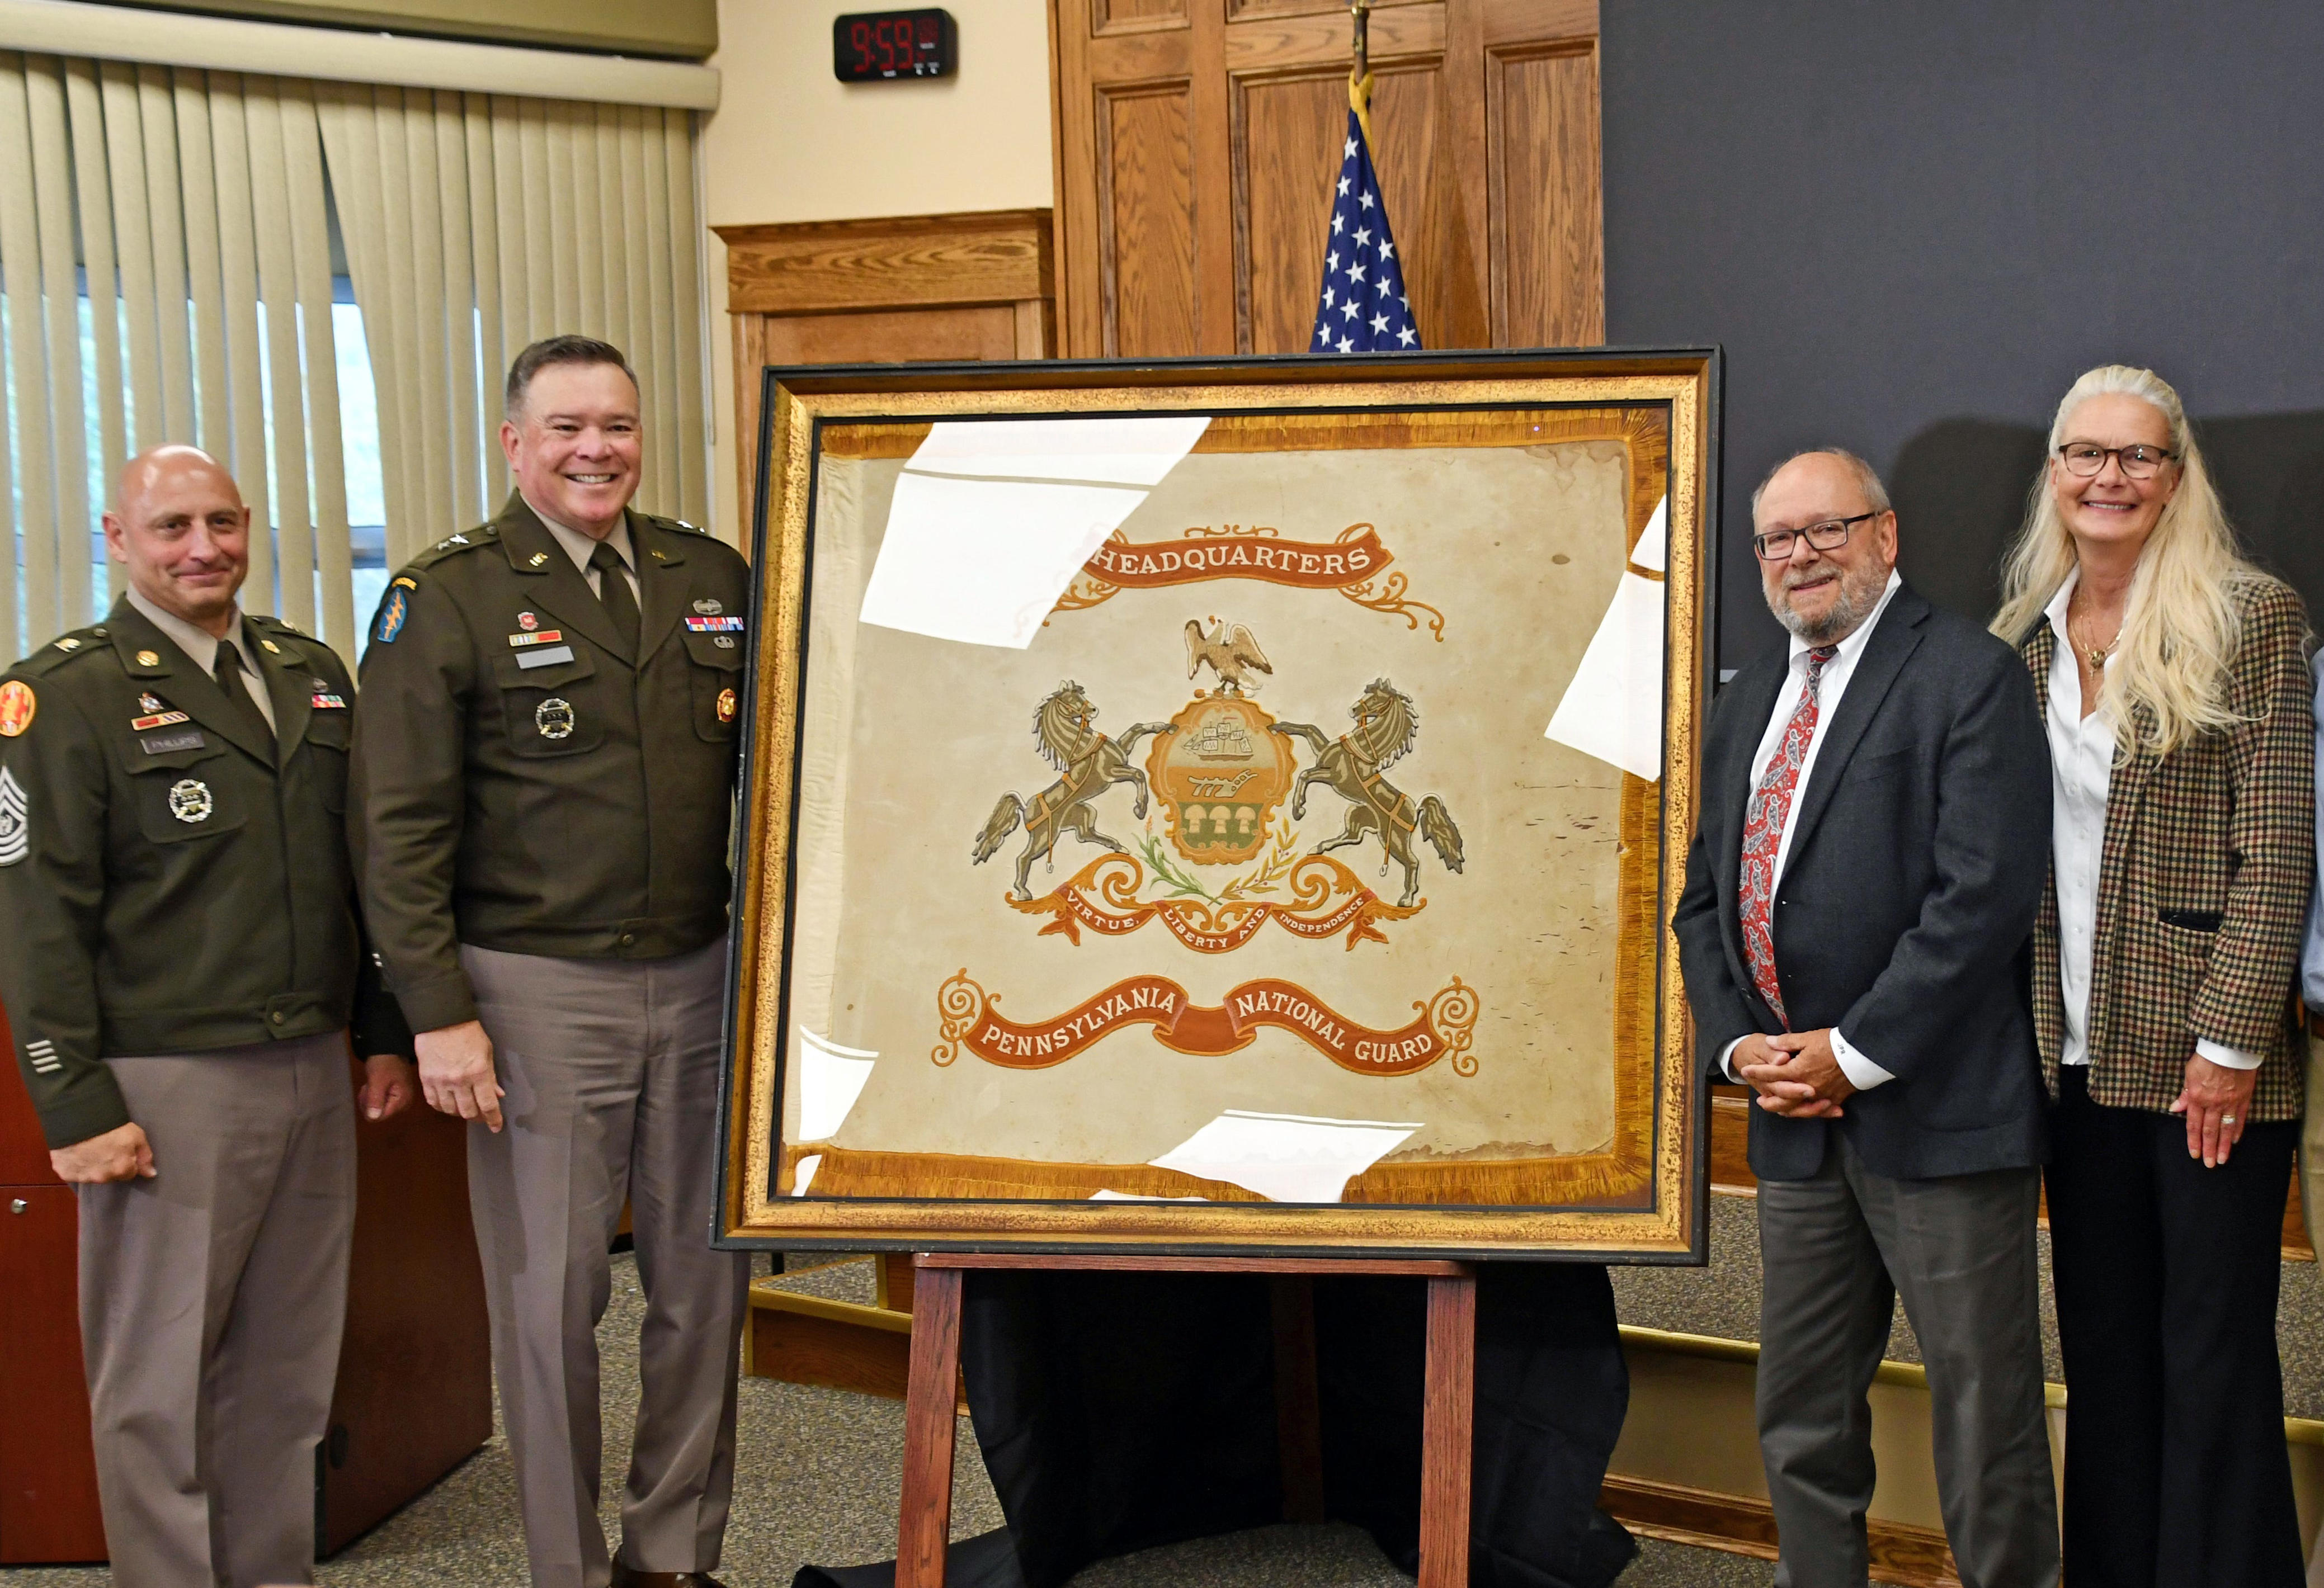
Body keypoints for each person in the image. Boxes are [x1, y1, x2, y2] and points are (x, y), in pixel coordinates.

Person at [350, 335, 752, 1588]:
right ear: (514, 442)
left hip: (701, 978)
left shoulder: (710, 573)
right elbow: (395, 827)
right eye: (569, 427)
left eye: (618, 426)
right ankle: (566, 1569)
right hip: (531, 994)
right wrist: (436, 1016)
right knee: (550, 1306)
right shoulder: (451, 596)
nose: (598, 451)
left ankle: (670, 1554)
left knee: (704, 1290)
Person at [0, 445, 415, 1588]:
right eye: (173, 525)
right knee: (158, 1381)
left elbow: (357, 873)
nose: (203, 548)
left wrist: (379, 1028)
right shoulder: (67, 692)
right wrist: (74, 1101)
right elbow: (36, 918)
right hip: (163, 1080)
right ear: (116, 536)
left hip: (305, 1065)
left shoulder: (307, 671)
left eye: (222, 522)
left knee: (286, 1368)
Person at [1672, 449, 2057, 1588]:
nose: (1798, 555)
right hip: (1788, 1112)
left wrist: (1850, 1053)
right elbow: (1702, 895)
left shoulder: (1966, 675)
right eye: (1775, 539)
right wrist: (1740, 1048)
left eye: (1824, 528)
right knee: (1798, 1416)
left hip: (1935, 1115)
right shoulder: (1748, 694)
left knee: (1984, 1424)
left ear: (1884, 537)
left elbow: (1979, 897)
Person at [1992, 365, 2312, 1587]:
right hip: (2068, 1061)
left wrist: (2227, 1048)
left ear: (2175, 476)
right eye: (2084, 454)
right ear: (2054, 472)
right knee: (2107, 1360)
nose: (2106, 478)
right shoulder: (2019, 637)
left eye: (2135, 457)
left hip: (2201, 1069)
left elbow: (2275, 846)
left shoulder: (2249, 619)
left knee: (2211, 1357)